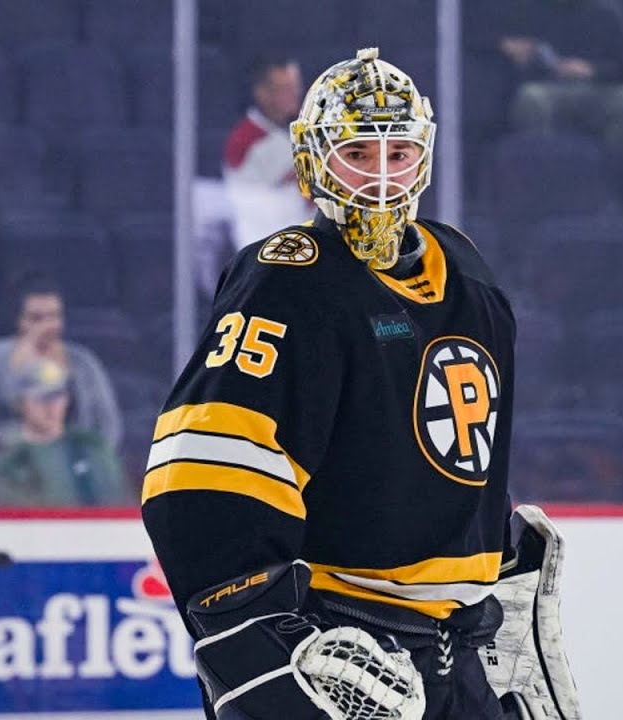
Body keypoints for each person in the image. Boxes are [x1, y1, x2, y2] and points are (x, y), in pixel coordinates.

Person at [142, 48, 579, 719]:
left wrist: (497, 581)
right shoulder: (289, 281)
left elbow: (447, 467)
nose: (379, 178)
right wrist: (259, 644)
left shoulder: (470, 275)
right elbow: (200, 483)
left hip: (459, 661)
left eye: (397, 154)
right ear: (314, 160)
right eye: (357, 154)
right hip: (343, 659)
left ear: (424, 158)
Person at [0, 270, 122, 449]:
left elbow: (107, 423)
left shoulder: (83, 361)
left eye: (54, 317)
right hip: (12, 458)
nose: (47, 327)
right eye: (37, 318)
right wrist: (21, 364)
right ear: (19, 321)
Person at [497, 0, 623, 154]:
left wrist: (591, 70)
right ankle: (544, 167)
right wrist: (525, 61)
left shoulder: (607, 13)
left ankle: (610, 167)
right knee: (529, 98)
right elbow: (524, 63)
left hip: (597, 89)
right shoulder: (538, 13)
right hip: (551, 88)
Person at [0, 359, 130, 507]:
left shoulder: (91, 447)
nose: (51, 406)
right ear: (20, 403)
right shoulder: (8, 458)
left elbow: (117, 502)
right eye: (40, 398)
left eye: (57, 396)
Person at [222, 54, 311, 253]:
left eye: (296, 87)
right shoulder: (246, 140)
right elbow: (315, 186)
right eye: (286, 89)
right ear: (262, 92)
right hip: (264, 248)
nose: (295, 95)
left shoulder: (293, 130)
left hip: (295, 245)